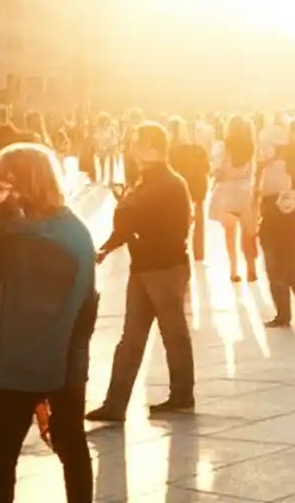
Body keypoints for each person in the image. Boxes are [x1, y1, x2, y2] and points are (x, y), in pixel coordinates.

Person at [0, 143, 97, 503]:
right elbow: (86, 306)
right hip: (63, 364)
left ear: (15, 181)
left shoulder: (12, 234)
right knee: (72, 452)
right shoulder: (75, 231)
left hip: (9, 370)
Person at [88, 123, 195, 422]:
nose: (132, 149)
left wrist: (121, 215)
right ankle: (116, 404)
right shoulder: (156, 181)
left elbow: (131, 223)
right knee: (136, 336)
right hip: (150, 267)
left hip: (162, 269)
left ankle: (179, 394)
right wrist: (109, 245)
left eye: (136, 143)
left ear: (150, 146)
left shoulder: (162, 184)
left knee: (167, 334)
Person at [256, 118, 295, 328]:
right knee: (272, 264)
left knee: (289, 260)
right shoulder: (263, 162)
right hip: (269, 214)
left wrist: (293, 199)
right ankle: (282, 314)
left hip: (291, 217)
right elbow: (258, 188)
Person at [208, 116, 259, 283]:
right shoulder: (251, 148)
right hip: (245, 191)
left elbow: (217, 170)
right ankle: (251, 268)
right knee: (248, 234)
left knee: (229, 234)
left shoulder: (222, 147)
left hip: (226, 193)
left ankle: (233, 271)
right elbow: (253, 172)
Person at [168, 117, 210, 263]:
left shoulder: (170, 151)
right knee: (199, 218)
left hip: (178, 188)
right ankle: (199, 253)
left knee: (177, 219)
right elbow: (206, 168)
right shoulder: (197, 149)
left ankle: (178, 248)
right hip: (197, 185)